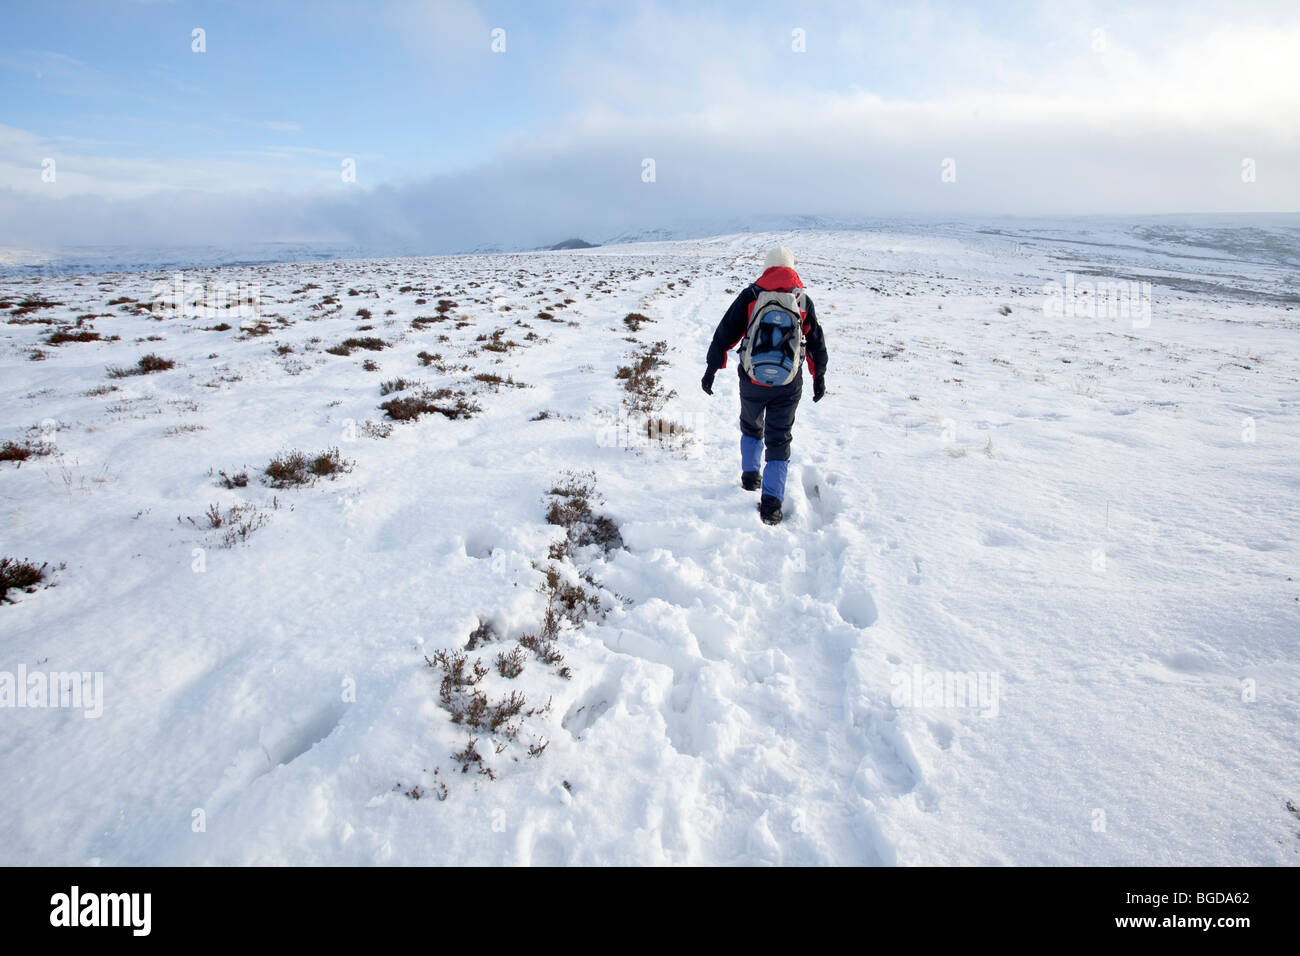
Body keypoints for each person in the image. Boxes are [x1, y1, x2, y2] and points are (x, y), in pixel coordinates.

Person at [701, 246, 828, 525]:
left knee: (751, 424)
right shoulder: (802, 300)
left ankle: (750, 477)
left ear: (767, 267)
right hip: (789, 382)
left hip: (752, 379)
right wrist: (819, 376)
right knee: (779, 437)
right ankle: (772, 505)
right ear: (792, 268)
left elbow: (725, 333)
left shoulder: (751, 296)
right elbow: (816, 342)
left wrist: (712, 368)